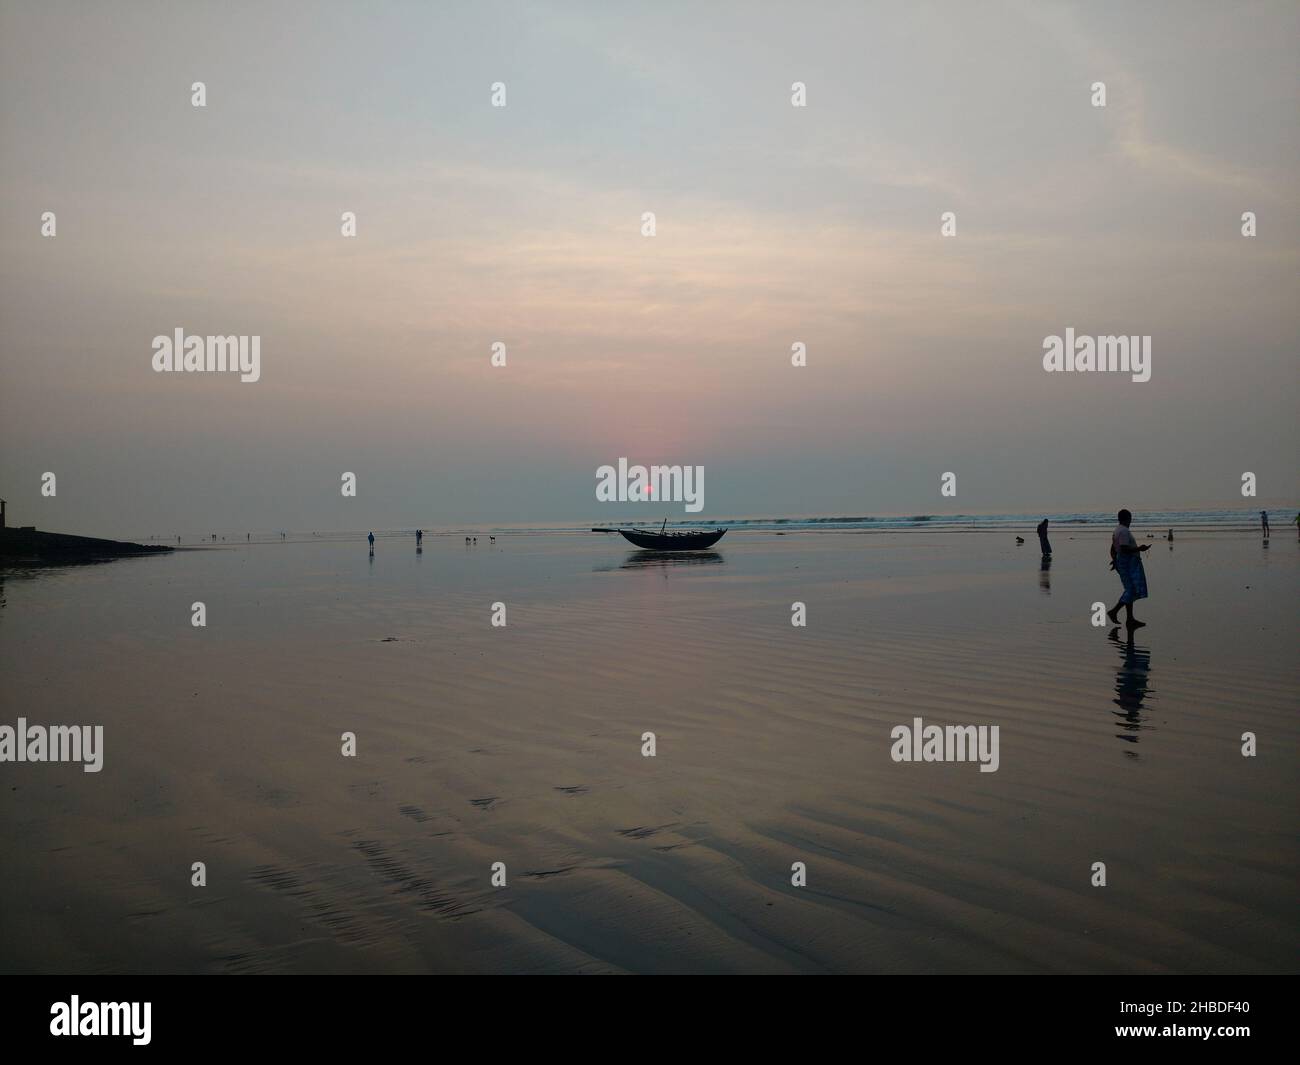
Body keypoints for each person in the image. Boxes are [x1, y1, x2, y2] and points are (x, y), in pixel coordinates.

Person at [1106, 509, 1150, 629]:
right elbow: (1124, 549)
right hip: (1128, 563)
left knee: (1129, 589)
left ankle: (1130, 619)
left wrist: (1115, 560)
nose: (1130, 521)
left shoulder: (1117, 530)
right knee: (1131, 589)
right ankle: (1114, 611)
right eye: (1130, 519)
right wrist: (1139, 549)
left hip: (1123, 562)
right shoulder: (1124, 531)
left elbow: (1114, 548)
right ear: (1127, 518)